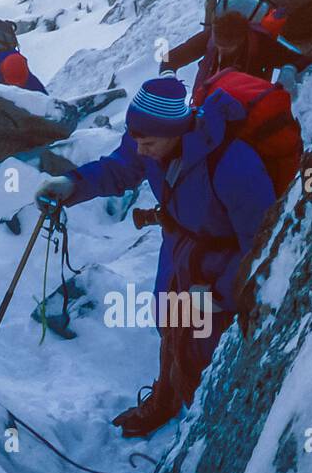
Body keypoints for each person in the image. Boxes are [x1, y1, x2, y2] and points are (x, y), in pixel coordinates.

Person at [34, 76, 277, 437]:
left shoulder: (233, 166)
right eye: (136, 140)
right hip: (180, 250)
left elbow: (262, 247)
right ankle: (164, 400)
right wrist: (73, 184)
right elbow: (120, 167)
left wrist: (217, 295)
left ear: (176, 133)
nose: (140, 149)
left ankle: (205, 430)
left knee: (203, 343)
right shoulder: (149, 140)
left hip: (221, 264)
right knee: (170, 324)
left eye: (147, 143)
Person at [162, 0, 312, 105]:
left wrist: (288, 72)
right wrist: (168, 77)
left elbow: (301, 59)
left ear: (242, 38)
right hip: (204, 107)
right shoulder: (210, 38)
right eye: (219, 46)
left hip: (245, 112)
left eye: (227, 48)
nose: (221, 51)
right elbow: (170, 59)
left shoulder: (261, 44)